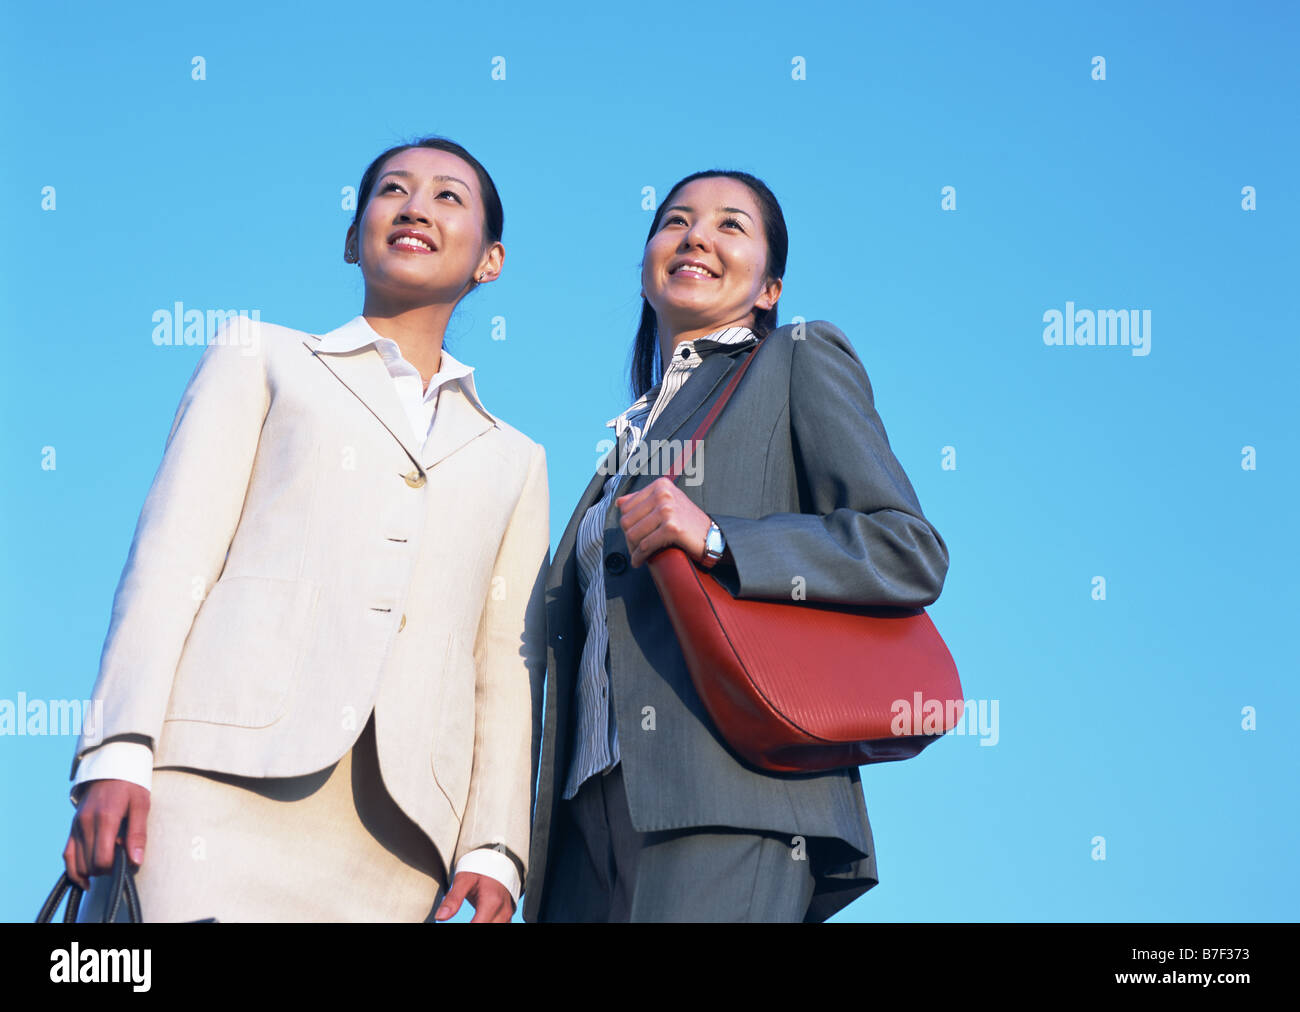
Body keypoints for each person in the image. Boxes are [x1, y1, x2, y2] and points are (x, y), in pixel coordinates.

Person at [62, 136, 549, 922]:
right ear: (353, 238)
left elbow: (505, 665)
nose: (415, 205)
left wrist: (495, 847)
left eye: (447, 196)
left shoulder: (515, 459)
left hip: (399, 844)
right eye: (391, 190)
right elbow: (171, 556)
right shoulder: (261, 356)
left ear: (490, 261)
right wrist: (119, 749)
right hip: (211, 790)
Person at [524, 170, 949, 922]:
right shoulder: (623, 445)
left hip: (730, 793)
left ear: (770, 288)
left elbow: (906, 547)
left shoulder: (797, 359)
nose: (696, 236)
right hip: (583, 826)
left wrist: (721, 539)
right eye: (676, 221)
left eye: (730, 225)